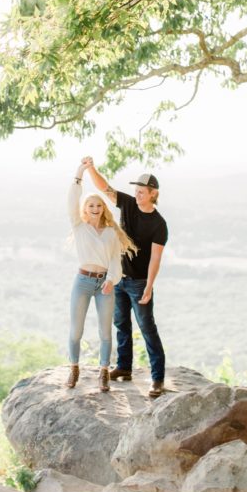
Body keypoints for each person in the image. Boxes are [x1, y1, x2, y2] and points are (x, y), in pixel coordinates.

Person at [83, 158, 169, 398]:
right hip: (119, 278)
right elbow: (105, 188)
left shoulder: (159, 224)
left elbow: (155, 259)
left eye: (142, 192)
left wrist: (150, 286)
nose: (137, 194)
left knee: (147, 328)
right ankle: (124, 368)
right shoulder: (129, 205)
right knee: (121, 323)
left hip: (140, 282)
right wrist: (90, 168)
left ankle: (157, 379)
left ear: (154, 194)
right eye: (136, 191)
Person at [66, 160, 136, 392]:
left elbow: (115, 261)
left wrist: (111, 281)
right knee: (76, 330)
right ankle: (74, 368)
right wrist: (80, 173)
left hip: (104, 283)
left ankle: (104, 372)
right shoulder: (79, 227)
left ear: (103, 209)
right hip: (83, 282)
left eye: (99, 206)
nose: (95, 209)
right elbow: (72, 201)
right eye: (91, 206)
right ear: (85, 210)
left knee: (105, 332)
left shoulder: (110, 233)